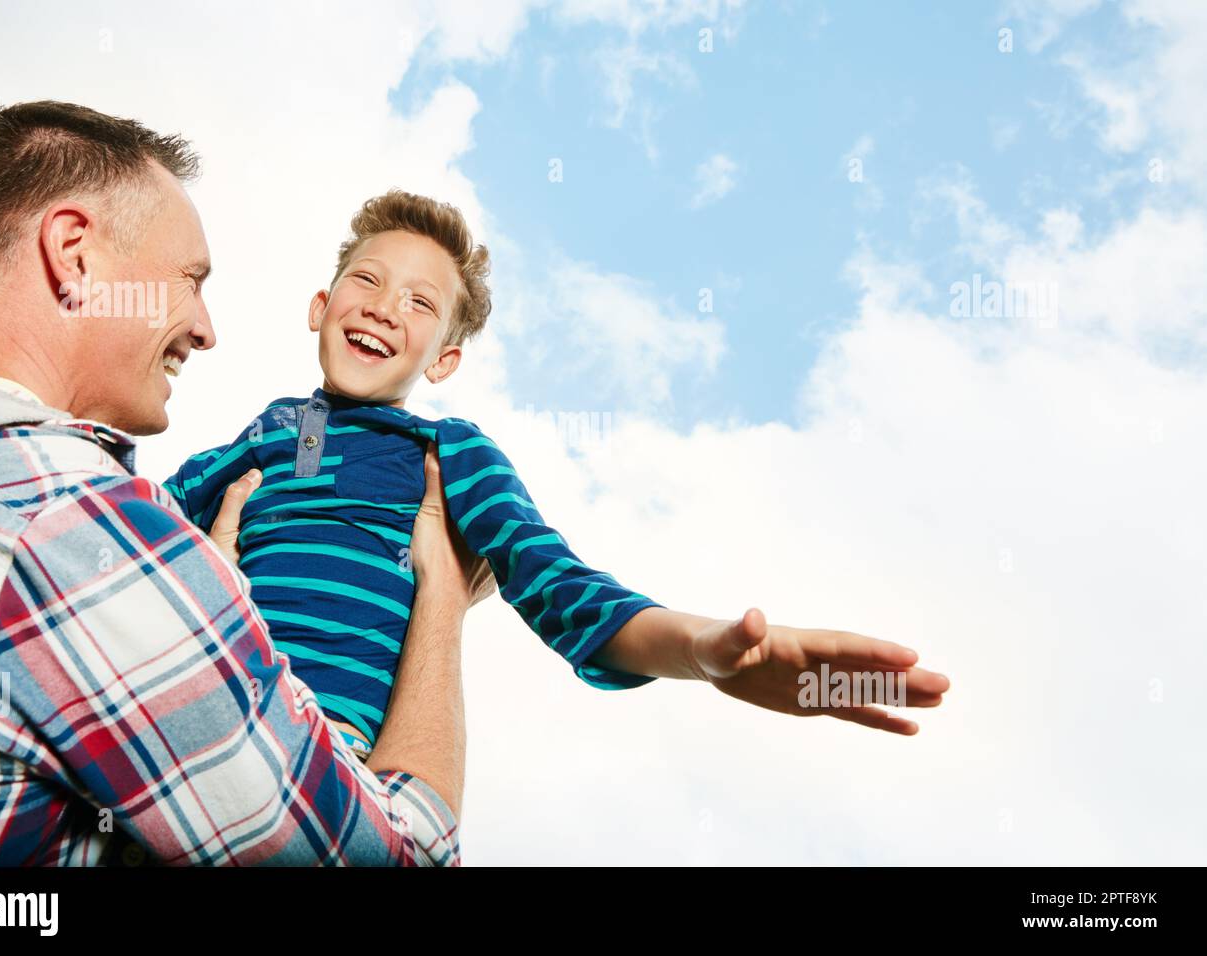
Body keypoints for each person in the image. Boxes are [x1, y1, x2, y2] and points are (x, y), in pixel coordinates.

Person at [162, 189, 952, 757]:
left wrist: (706, 652)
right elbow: (133, 522)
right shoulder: (280, 432)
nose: (382, 308)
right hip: (190, 715)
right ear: (320, 305)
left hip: (322, 752)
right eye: (367, 282)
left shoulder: (446, 456)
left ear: (444, 359)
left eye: (419, 303)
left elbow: (559, 585)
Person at [0, 102, 490, 866]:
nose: (205, 328)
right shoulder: (66, 523)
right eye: (189, 281)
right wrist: (442, 596)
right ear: (74, 253)